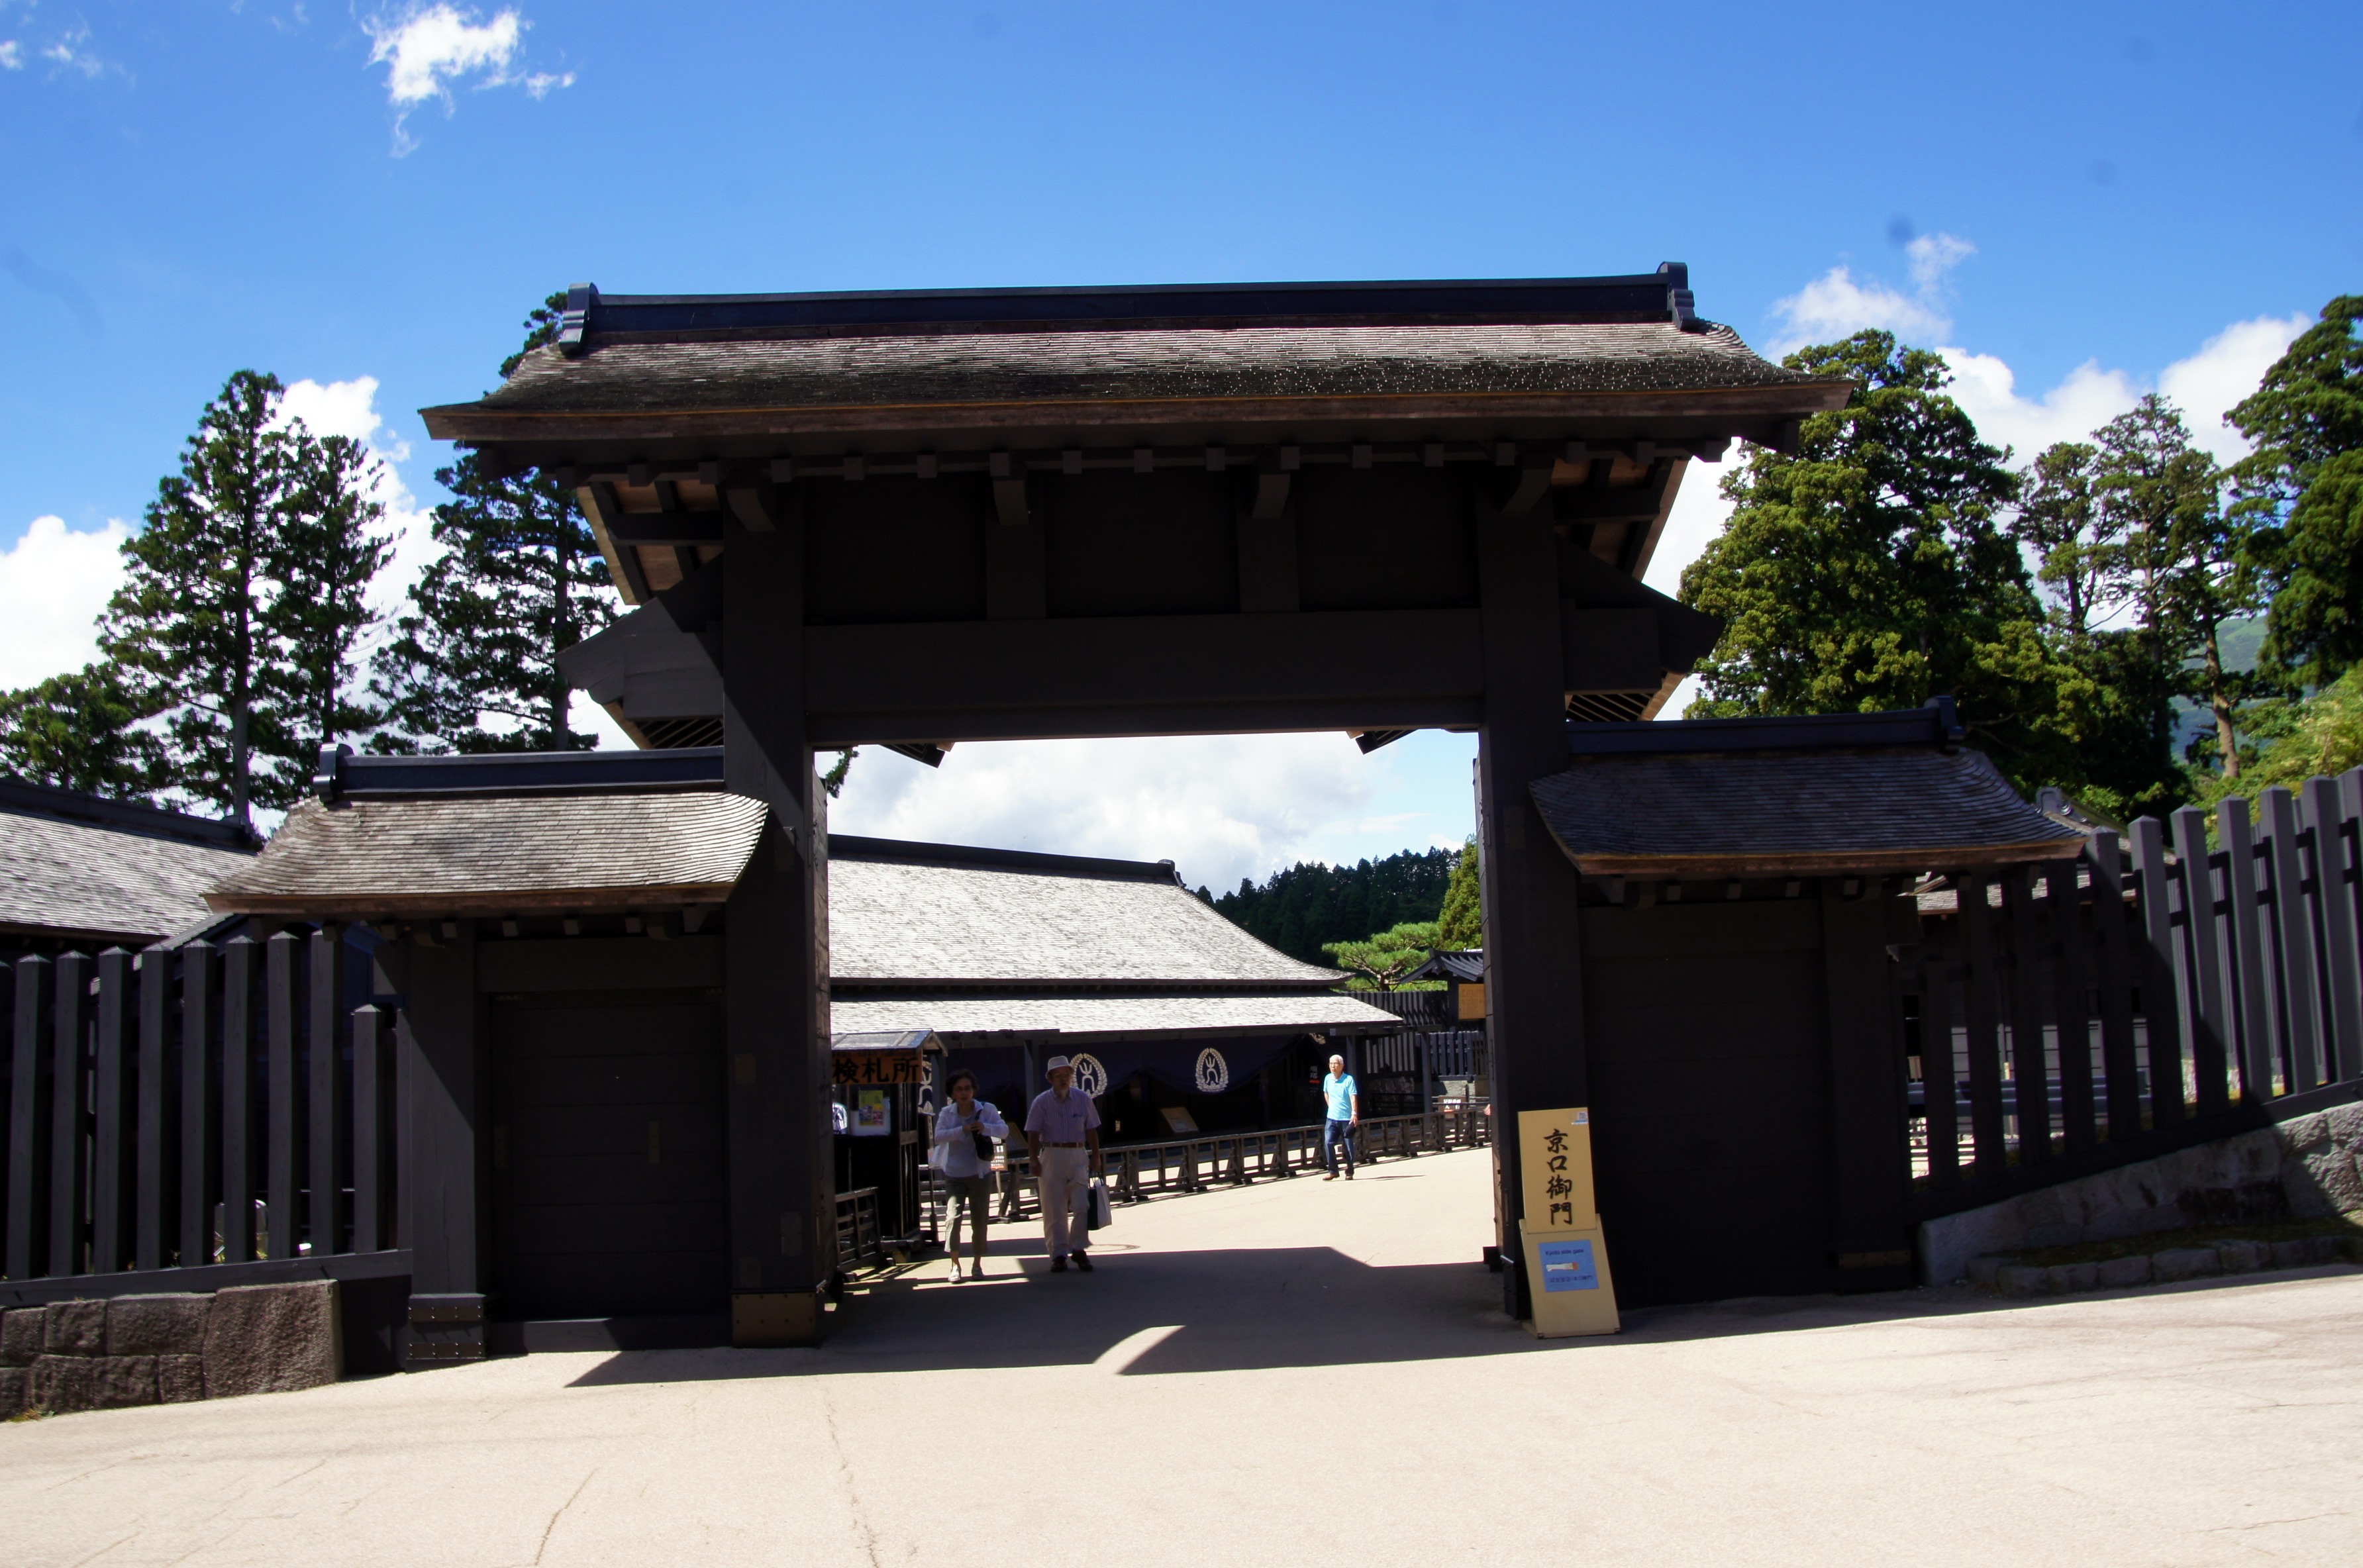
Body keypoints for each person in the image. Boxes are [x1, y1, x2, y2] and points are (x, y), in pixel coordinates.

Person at [1024, 1055, 1103, 1273]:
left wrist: (1095, 1156)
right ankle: (1058, 1253)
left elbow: (1092, 1128)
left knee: (1081, 1204)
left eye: (1066, 1075)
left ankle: (1079, 1248)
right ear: (1050, 1078)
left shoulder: (1082, 1098)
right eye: (1058, 1076)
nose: (1063, 1079)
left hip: (1077, 1152)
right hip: (1052, 1152)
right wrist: (1033, 1159)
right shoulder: (1042, 1102)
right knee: (1054, 1207)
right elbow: (1033, 1131)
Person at [932, 1069, 1007, 1282]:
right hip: (954, 1173)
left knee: (979, 1220)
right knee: (953, 1217)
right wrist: (962, 1130)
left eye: (967, 1088)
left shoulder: (987, 1109)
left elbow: (1004, 1131)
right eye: (959, 1089)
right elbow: (938, 1136)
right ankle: (955, 1265)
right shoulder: (947, 1113)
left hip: (979, 1172)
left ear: (974, 1090)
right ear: (952, 1093)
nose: (964, 1093)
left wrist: (985, 1127)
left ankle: (977, 1264)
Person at [1321, 1053, 1359, 1181]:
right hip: (1331, 1118)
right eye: (1331, 1063)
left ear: (1342, 1066)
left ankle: (1349, 1171)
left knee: (1348, 1146)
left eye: (1335, 1063)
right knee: (1328, 1143)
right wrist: (1330, 1106)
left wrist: (1354, 1113)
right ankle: (1333, 1171)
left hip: (1346, 1119)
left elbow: (1353, 1096)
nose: (1333, 1066)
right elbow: (1326, 1092)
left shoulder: (1348, 1080)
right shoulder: (1328, 1078)